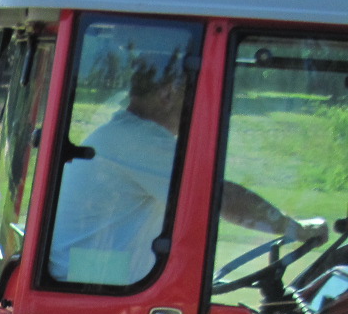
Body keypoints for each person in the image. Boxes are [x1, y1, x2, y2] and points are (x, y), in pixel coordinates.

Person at [48, 55, 325, 285]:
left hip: (93, 276)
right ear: (168, 93)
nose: (195, 108)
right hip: (93, 288)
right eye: (192, 95)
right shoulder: (139, 141)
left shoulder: (120, 136)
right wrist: (295, 229)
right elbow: (220, 197)